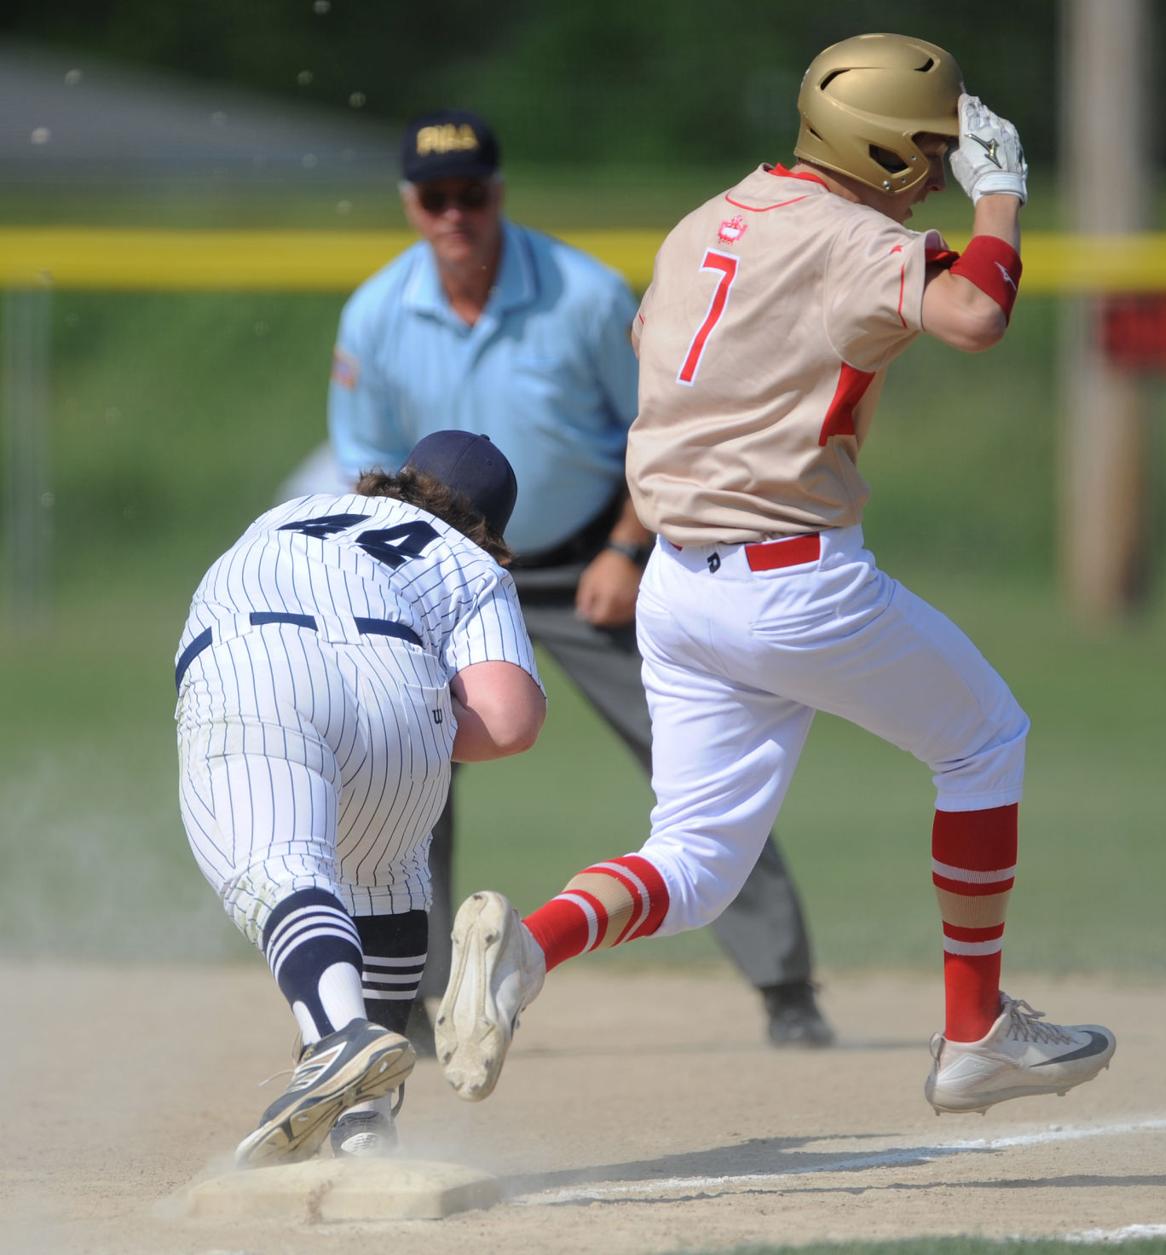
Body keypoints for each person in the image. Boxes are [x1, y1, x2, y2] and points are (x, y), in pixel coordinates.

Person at [433, 35, 1117, 1116]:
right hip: (797, 583)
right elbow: (977, 314)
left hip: (679, 589)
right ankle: (976, 1028)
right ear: (880, 150)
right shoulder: (849, 238)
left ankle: (529, 949)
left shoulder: (708, 219)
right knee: (987, 739)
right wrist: (1004, 201)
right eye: (930, 150)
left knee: (696, 863)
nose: (941, 170)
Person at [323, 106, 833, 1049]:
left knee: (699, 758)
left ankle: (785, 983)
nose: (454, 215)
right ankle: (413, 1005)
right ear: (411, 205)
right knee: (407, 769)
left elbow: (662, 423)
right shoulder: (377, 314)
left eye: (471, 193)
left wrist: (627, 549)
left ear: (498, 194)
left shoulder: (583, 295)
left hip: (585, 561)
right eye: (435, 198)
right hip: (433, 578)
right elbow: (360, 464)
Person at [174, 430, 546, 1165]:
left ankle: (340, 1038)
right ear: (490, 528)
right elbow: (509, 720)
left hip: (254, 663)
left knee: (279, 868)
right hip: (405, 684)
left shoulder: (292, 512)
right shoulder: (467, 559)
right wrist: (422, 722)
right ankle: (367, 1124)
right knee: (382, 874)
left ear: (394, 482)